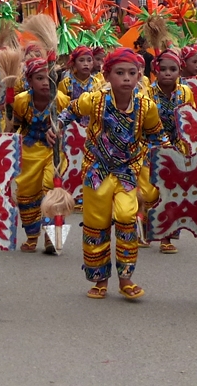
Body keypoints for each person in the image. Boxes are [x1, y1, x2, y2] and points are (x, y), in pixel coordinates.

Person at [54, 47, 163, 301]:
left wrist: (172, 158)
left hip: (128, 171)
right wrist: (57, 126)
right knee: (96, 224)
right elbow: (70, 111)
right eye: (119, 73)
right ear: (107, 76)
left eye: (132, 73)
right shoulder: (95, 100)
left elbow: (156, 135)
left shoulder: (146, 106)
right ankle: (99, 279)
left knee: (126, 216)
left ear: (139, 76)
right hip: (97, 170)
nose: (126, 78)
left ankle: (126, 278)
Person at [10, 57, 69, 254]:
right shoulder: (21, 101)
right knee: (27, 195)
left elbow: (71, 124)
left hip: (54, 152)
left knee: (52, 188)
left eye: (49, 78)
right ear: (29, 81)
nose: (45, 82)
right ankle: (32, 237)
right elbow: (14, 127)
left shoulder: (61, 100)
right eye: (39, 78)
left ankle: (52, 236)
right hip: (28, 153)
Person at [142, 46, 193, 255]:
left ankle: (167, 237)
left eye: (173, 69)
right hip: (150, 148)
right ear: (156, 70)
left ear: (180, 71)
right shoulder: (146, 93)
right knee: (149, 193)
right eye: (163, 69)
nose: (168, 73)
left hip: (176, 150)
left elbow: (191, 121)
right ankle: (147, 225)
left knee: (172, 193)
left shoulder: (186, 92)